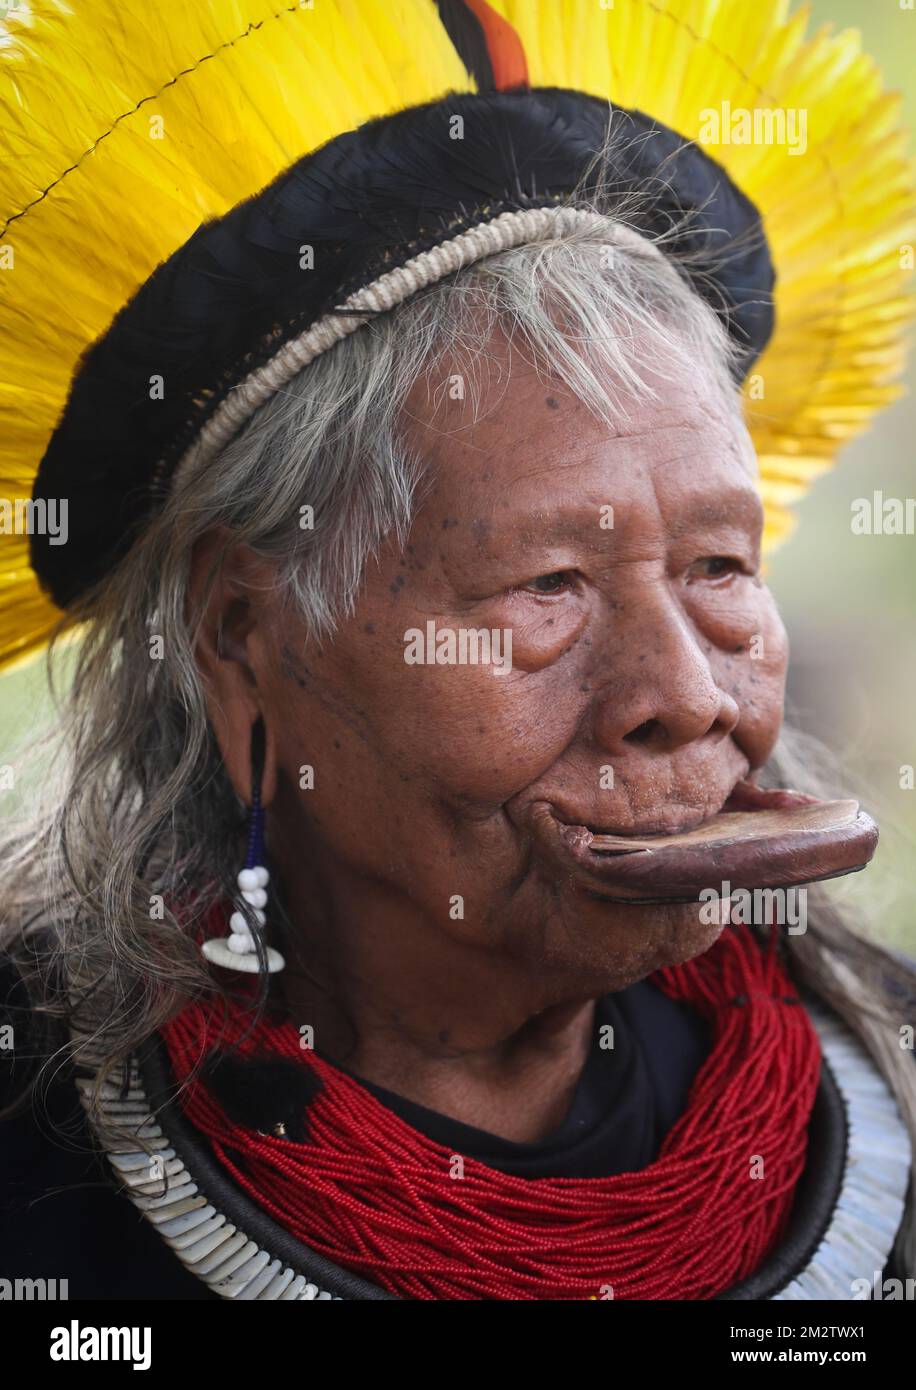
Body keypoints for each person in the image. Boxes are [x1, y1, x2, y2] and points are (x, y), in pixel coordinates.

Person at [1, 0, 914, 1302]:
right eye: (547, 587)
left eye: (720, 568)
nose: (687, 694)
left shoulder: (890, 1093)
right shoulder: (35, 1186)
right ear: (243, 635)